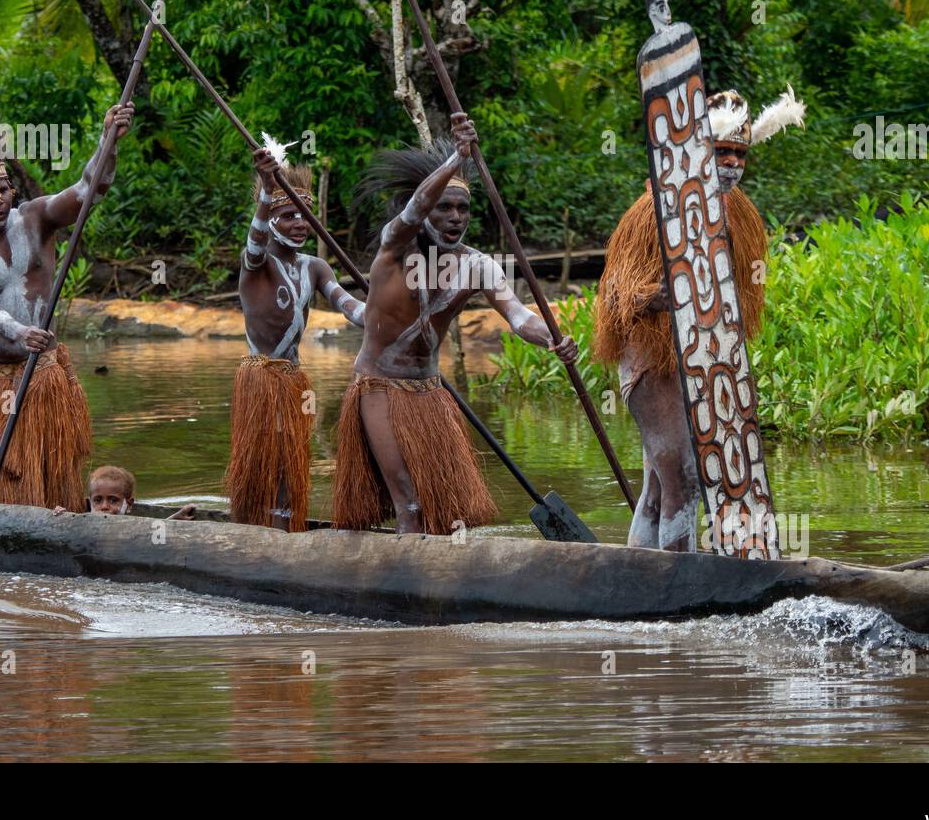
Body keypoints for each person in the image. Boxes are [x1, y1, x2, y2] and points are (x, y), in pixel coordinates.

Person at [333, 115, 578, 535]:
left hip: (431, 394)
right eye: (444, 206)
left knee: (446, 513)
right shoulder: (394, 248)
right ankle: (405, 588)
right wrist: (456, 159)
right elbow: (413, 209)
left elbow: (518, 316)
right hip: (379, 389)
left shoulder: (478, 265)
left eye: (463, 208)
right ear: (428, 209)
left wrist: (554, 340)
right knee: (408, 501)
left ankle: (441, 581)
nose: (455, 217)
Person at [594, 87, 804, 551]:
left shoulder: (741, 215)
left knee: (657, 490)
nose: (732, 163)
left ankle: (642, 583)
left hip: (701, 363)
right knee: (684, 483)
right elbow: (614, 296)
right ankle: (677, 596)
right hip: (654, 364)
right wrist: (659, 298)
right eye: (721, 151)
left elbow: (739, 299)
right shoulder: (653, 209)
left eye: (739, 153)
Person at [0, 104, 133, 510]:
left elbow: (89, 190)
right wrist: (19, 331)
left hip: (44, 375)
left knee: (53, 470)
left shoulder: (36, 218)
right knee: (0, 476)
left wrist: (109, 141)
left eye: (3, 190)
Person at [223, 139, 365, 531]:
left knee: (294, 456)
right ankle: (256, 522)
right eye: (288, 216)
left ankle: (287, 523)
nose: (299, 223)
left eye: (304, 215)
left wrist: (384, 315)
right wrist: (267, 191)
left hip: (295, 380)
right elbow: (253, 242)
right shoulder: (257, 265)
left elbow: (348, 306)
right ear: (271, 220)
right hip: (260, 378)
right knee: (264, 456)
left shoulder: (316, 266)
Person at [53, 464, 195, 519]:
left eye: (113, 500)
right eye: (97, 500)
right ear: (89, 502)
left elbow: (150, 536)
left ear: (129, 504)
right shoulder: (84, 521)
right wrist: (62, 517)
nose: (104, 507)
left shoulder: (131, 525)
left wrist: (173, 520)